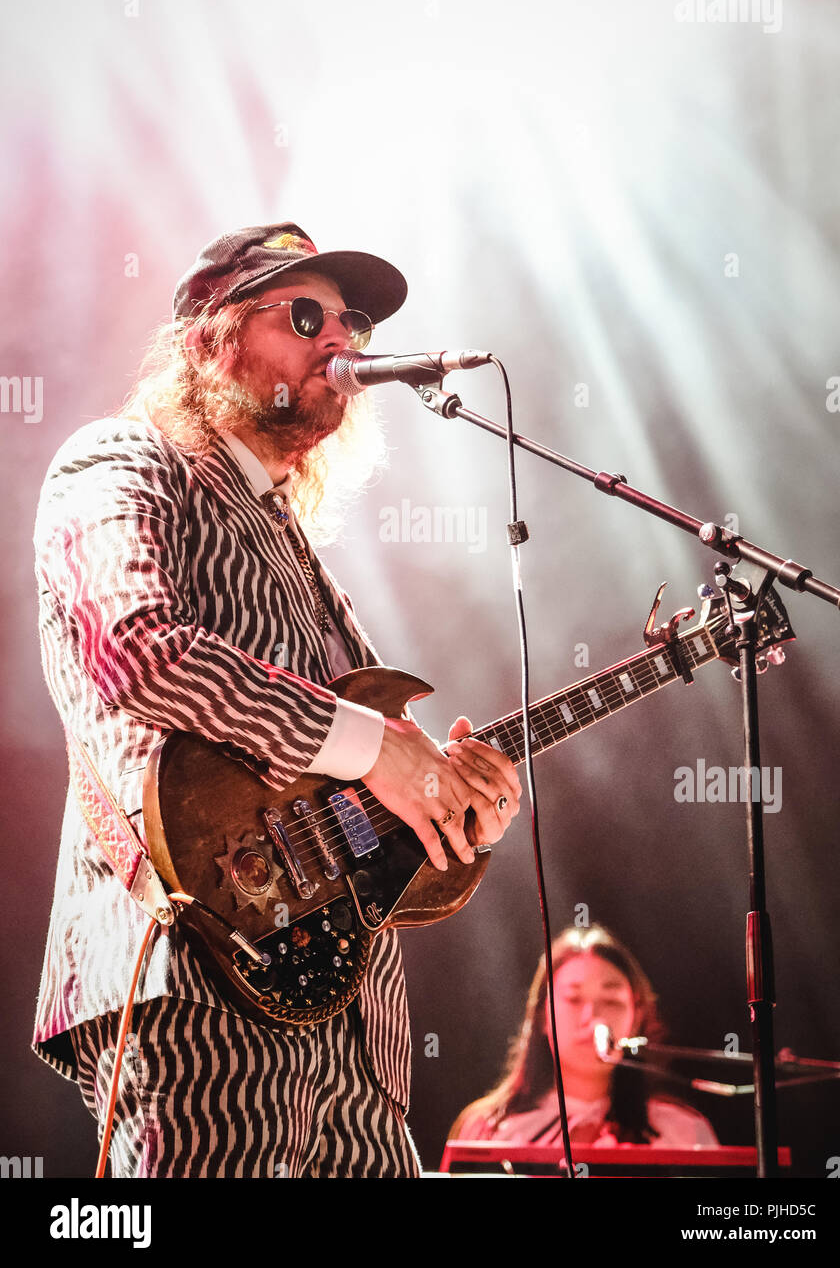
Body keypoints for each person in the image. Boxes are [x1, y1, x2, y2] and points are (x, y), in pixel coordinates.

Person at [33, 220, 521, 1177]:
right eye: (307, 315)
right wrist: (375, 747)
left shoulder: (304, 556)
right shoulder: (120, 462)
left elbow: (360, 820)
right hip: (188, 970)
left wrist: (456, 815)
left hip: (357, 1032)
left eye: (356, 325)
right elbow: (137, 651)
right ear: (211, 338)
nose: (341, 342)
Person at [450, 924, 717, 1149]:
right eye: (573, 999)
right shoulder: (489, 1130)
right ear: (542, 1015)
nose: (593, 1018)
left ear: (636, 1017)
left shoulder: (683, 1132)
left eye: (611, 1001)